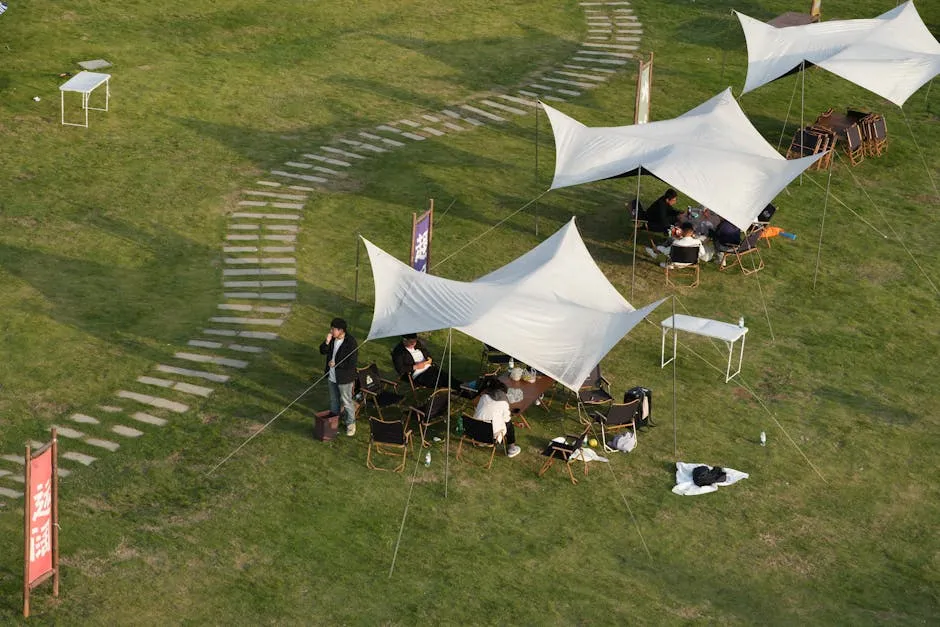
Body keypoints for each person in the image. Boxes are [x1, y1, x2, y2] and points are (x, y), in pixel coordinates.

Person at [319, 318, 359, 436]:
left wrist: (337, 364)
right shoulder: (332, 339)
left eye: (333, 329)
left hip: (344, 378)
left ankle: (351, 424)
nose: (331, 331)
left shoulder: (350, 342)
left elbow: (352, 362)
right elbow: (322, 351)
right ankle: (333, 422)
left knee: (346, 401)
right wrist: (326, 341)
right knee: (334, 400)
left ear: (341, 330)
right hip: (332, 376)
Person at [472, 377, 521, 458]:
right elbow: (507, 420)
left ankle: (480, 442)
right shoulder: (503, 403)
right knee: (509, 424)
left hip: (473, 432)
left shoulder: (484, 397)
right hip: (489, 436)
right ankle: (511, 448)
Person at [391, 333, 461, 390]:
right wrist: (415, 366)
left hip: (430, 368)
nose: (413, 344)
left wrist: (429, 359)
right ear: (404, 340)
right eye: (411, 342)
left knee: (448, 378)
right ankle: (462, 392)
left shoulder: (417, 343)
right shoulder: (398, 351)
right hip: (419, 374)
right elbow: (400, 369)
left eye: (415, 341)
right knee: (440, 382)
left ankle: (467, 390)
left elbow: (427, 354)